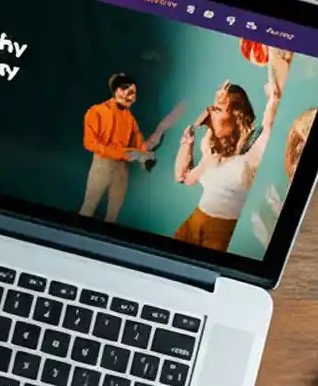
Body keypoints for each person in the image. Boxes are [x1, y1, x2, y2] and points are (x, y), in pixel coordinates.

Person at [172, 68, 283, 251]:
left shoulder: (249, 156)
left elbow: (268, 126)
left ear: (237, 117)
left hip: (219, 236)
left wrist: (273, 99)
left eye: (218, 109)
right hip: (190, 227)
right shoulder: (210, 151)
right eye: (213, 108)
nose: (211, 113)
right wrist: (187, 143)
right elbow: (183, 177)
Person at [79, 73, 161, 223]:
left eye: (134, 94)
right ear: (117, 90)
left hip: (122, 169)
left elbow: (139, 144)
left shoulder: (130, 119)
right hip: (102, 164)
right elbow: (90, 142)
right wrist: (121, 153)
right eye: (129, 92)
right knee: (88, 207)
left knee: (113, 215)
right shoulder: (97, 111)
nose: (132, 98)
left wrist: (149, 148)